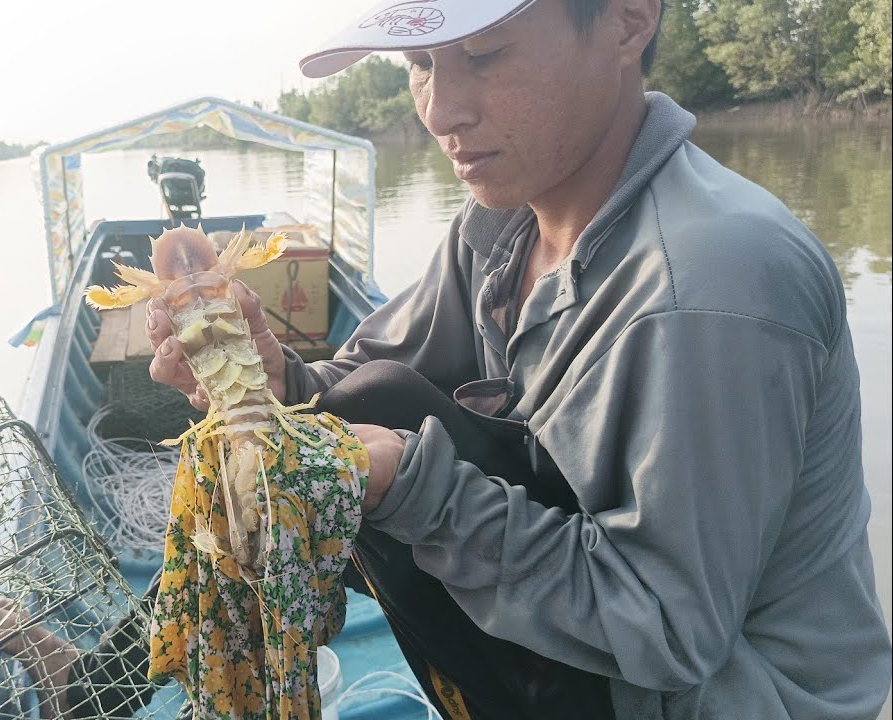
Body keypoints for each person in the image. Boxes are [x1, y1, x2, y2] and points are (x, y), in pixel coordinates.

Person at [143, 0, 893, 718]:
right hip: (619, 650)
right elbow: (365, 384)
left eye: (484, 54)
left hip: (712, 694)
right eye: (421, 64)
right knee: (362, 404)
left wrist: (410, 485)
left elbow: (669, 631)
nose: (440, 112)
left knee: (375, 446)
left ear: (629, 21)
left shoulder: (711, 281)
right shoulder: (506, 219)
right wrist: (274, 381)